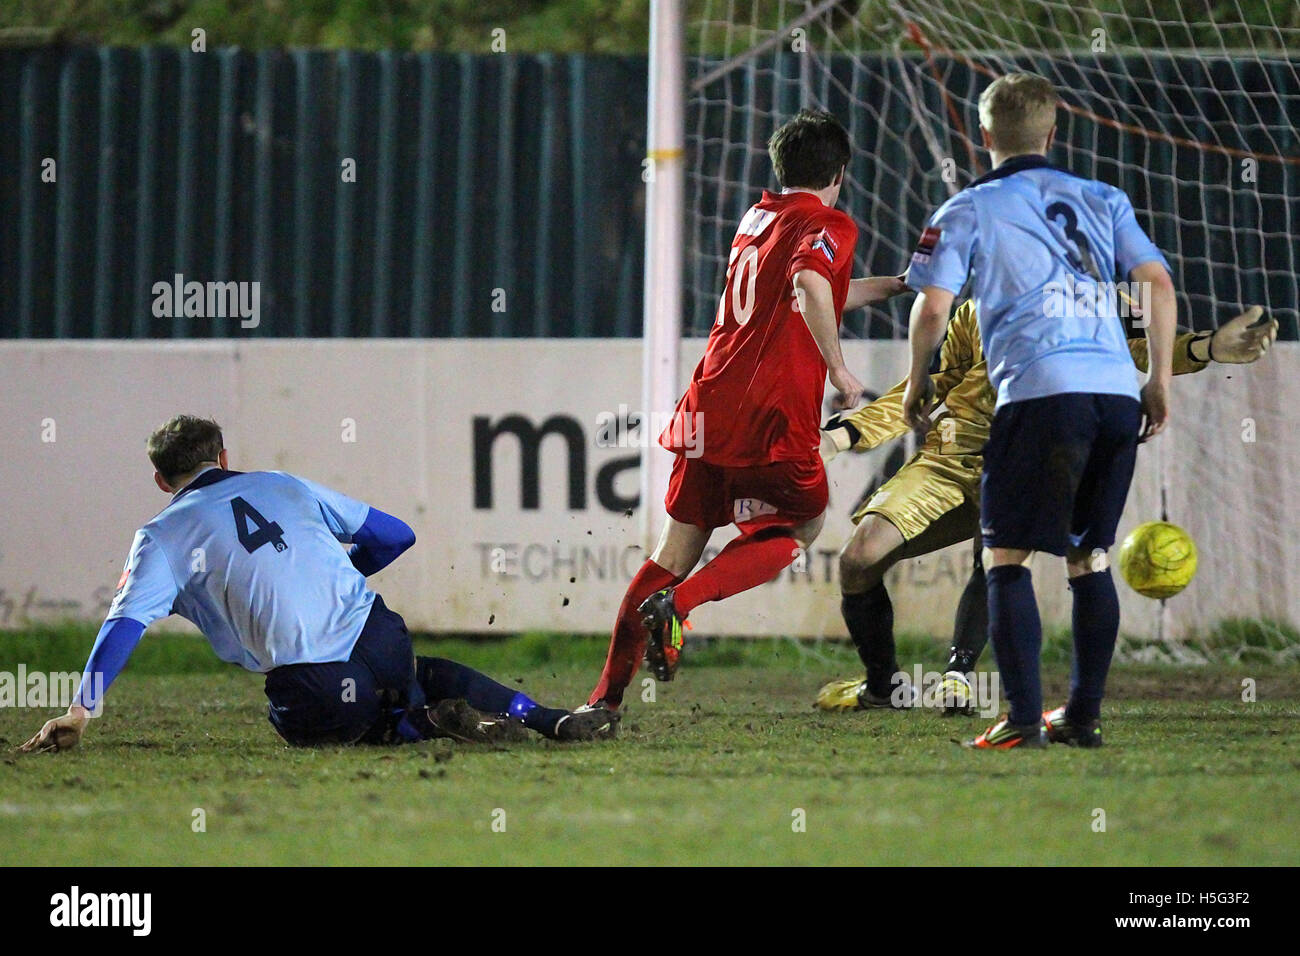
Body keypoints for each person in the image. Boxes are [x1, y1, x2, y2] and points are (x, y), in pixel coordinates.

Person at [20, 415, 616, 753]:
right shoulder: (285, 485)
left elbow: (122, 627)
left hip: (321, 682)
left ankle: (420, 725)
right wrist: (336, 573)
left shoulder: (162, 534)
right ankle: (545, 718)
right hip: (381, 640)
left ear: (160, 479)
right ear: (225, 455)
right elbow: (397, 536)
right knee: (422, 673)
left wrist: (80, 711)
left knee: (299, 723)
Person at [584, 109, 907, 710]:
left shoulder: (758, 218)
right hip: (770, 418)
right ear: (840, 172)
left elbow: (819, 291)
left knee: (670, 554)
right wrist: (838, 369)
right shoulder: (829, 221)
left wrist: (893, 285)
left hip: (707, 407)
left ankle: (603, 702)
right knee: (803, 524)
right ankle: (680, 606)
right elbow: (811, 287)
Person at [815, 302, 1276, 713]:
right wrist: (847, 434)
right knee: (859, 559)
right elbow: (939, 380)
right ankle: (884, 687)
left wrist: (1206, 347)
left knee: (1002, 557)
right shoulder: (976, 307)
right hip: (951, 458)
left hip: (1030, 454)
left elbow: (1139, 346)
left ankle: (960, 675)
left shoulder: (1095, 295)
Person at [902, 72, 1178, 748]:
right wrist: (1159, 379)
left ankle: (1024, 720)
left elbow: (933, 305)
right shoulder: (1103, 197)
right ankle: (1080, 718)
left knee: (1006, 557)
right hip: (1114, 392)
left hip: (1040, 392)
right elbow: (1158, 283)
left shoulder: (967, 207)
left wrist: (918, 381)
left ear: (983, 136)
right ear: (1053, 134)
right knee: (1089, 558)